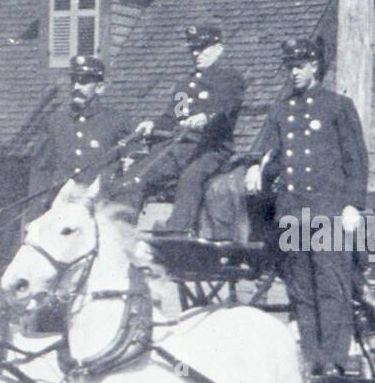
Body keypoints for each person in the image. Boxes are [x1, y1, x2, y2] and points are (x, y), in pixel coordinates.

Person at [245, 37, 368, 376]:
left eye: (299, 66)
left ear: (315, 66)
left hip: (329, 210)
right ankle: (312, 358)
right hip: (293, 210)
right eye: (290, 67)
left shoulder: (338, 106)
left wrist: (353, 205)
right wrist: (256, 164)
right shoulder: (281, 109)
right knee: (301, 287)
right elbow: (266, 148)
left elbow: (355, 160)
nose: (293, 73)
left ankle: (334, 359)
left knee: (331, 285)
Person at [134, 23, 247, 236]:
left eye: (203, 47)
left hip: (211, 148)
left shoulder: (230, 79)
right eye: (193, 48)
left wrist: (206, 117)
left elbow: (226, 107)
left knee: (190, 177)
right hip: (180, 147)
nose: (197, 53)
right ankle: (126, 230)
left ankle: (176, 231)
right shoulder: (185, 85)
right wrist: (153, 124)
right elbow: (172, 116)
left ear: (219, 49)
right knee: (141, 174)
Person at [50, 54, 130, 190]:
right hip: (61, 201)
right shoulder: (56, 121)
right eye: (73, 81)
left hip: (102, 202)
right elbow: (41, 171)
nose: (76, 87)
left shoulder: (117, 121)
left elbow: (131, 169)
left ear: (100, 88)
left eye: (83, 81)